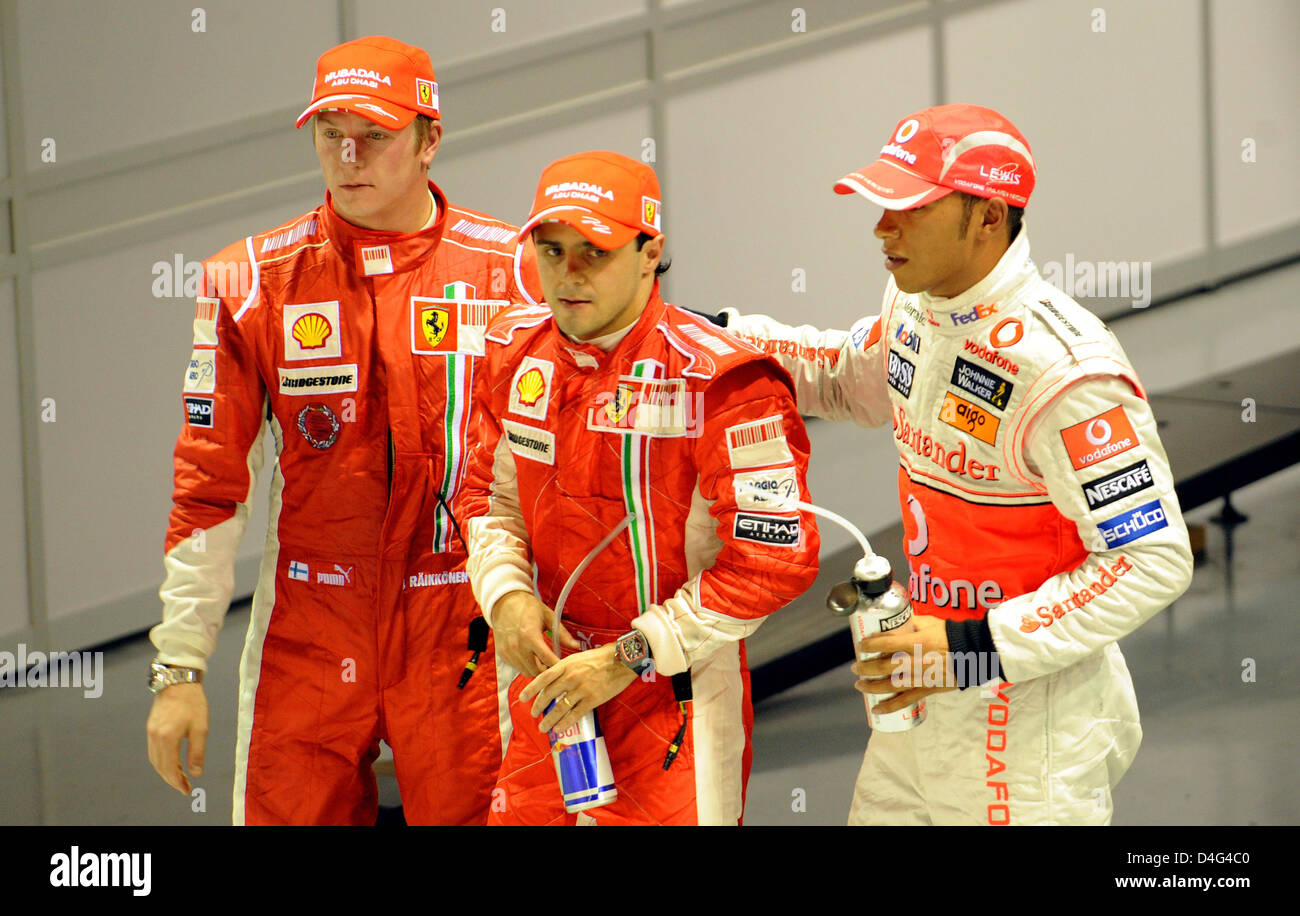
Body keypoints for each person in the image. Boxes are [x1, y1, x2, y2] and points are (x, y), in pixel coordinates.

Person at [721, 104, 1193, 825]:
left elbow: (1154, 558)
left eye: (910, 209)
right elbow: (852, 378)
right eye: (882, 205)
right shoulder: (916, 304)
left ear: (989, 218)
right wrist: (714, 338)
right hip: (917, 688)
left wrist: (972, 650)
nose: (883, 228)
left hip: (1028, 726)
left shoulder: (1065, 372)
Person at [146, 35, 539, 825]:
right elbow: (208, 485)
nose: (349, 156)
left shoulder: (518, 272)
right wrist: (179, 667)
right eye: (331, 133)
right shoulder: (247, 283)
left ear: (431, 139)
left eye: (377, 135)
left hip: (465, 622)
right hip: (309, 625)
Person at [459, 150, 820, 825]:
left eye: (593, 251)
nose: (567, 274)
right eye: (551, 248)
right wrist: (505, 598)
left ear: (650, 251)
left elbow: (775, 560)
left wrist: (631, 655)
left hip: (675, 694)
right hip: (551, 688)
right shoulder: (512, 354)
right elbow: (487, 500)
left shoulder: (726, 381)